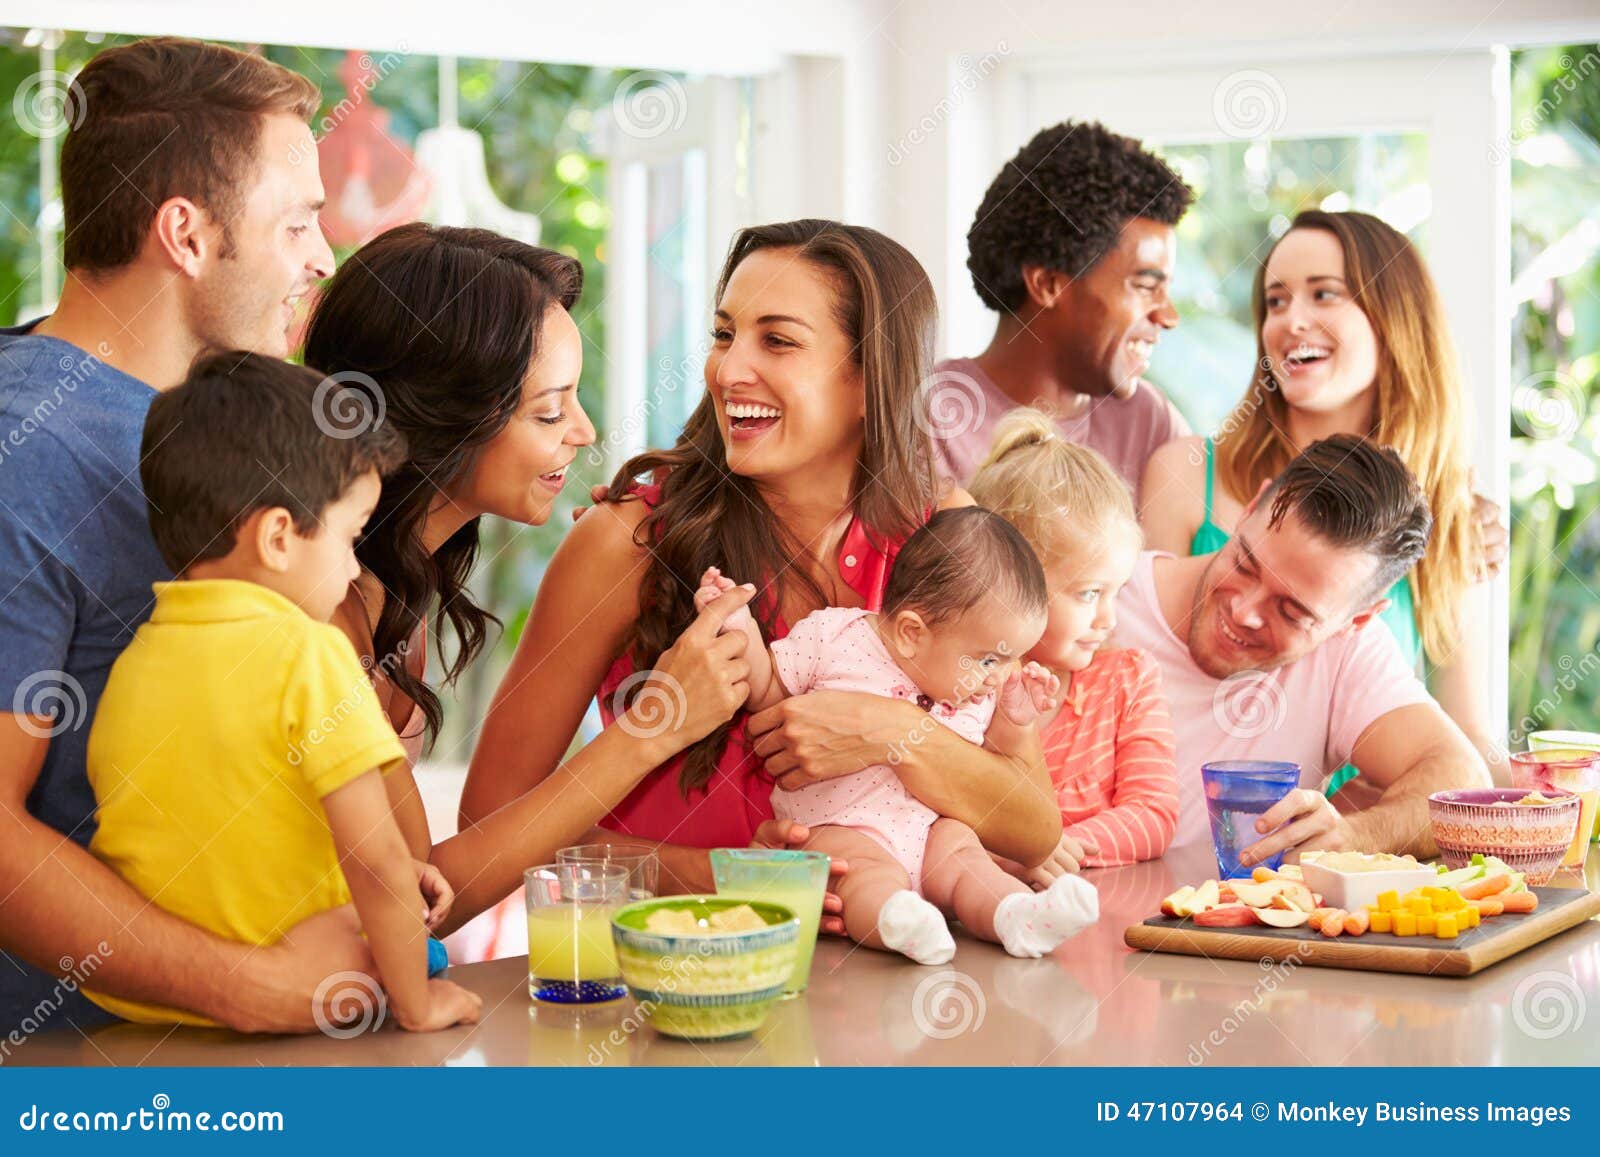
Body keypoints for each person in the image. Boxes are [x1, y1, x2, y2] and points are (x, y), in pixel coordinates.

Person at [463, 219, 1063, 907]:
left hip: (894, 993)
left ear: (872, 379)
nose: (726, 369)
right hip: (667, 988)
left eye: (776, 340)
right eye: (724, 335)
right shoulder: (626, 540)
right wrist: (725, 874)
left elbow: (1033, 828)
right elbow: (488, 829)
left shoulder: (947, 533)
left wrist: (891, 730)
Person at [0, 37, 368, 1036]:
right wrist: (258, 987)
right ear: (187, 235)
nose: (322, 257)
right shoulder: (24, 455)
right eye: (296, 222)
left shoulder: (200, 433)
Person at [300, 223, 758, 932]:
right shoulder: (325, 608)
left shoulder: (393, 592)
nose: (582, 430)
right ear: (441, 421)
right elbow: (414, 905)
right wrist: (651, 727)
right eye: (549, 410)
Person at [83, 353, 479, 1032]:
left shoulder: (133, 663)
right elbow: (375, 860)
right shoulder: (311, 652)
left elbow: (231, 833)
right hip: (302, 1004)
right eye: (350, 539)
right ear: (276, 537)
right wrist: (419, 1001)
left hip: (144, 1014)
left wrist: (402, 868)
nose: (355, 567)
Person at [1140, 209, 1505, 792]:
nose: (1292, 321)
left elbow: (1466, 736)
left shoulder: (1446, 513)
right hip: (1179, 825)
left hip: (1354, 853)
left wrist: (1545, 806)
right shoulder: (1186, 473)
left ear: (1394, 321)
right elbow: (1134, 682)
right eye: (1277, 301)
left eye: (1324, 294)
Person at [695, 508, 1099, 965]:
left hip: (933, 832)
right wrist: (740, 627)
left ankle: (1014, 916)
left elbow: (996, 765)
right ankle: (897, 921)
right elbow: (767, 687)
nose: (1001, 676)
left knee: (968, 860)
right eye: (990, 660)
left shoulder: (975, 689)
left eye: (1013, 658)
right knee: (861, 874)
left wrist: (1016, 719)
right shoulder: (836, 637)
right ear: (911, 634)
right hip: (844, 825)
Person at [1112, 434, 1491, 864]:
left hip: (1220, 928)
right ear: (1250, 509)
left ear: (1358, 619)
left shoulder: (1346, 652)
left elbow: (1460, 786)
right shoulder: (1105, 599)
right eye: (1245, 563)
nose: (1244, 611)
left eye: (1292, 612)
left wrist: (1353, 835)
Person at [930, 121, 1192, 500]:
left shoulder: (1149, 422)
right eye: (1146, 286)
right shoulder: (926, 425)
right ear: (1049, 284)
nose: (1168, 316)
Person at [968, 409, 1179, 870]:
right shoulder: (961, 687)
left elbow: (1153, 814)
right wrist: (1019, 856)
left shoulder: (1127, 680)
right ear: (1009, 582)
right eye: (1089, 593)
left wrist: (1046, 848)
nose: (1108, 618)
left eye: (1116, 591)